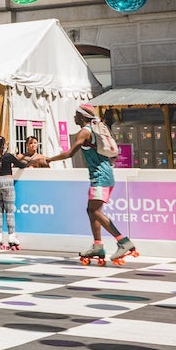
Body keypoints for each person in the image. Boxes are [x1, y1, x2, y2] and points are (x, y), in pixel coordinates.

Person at [53, 103, 136, 266]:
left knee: (94, 210)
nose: (74, 118)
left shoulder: (85, 132)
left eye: (76, 115)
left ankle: (124, 241)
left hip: (100, 177)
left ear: (83, 117)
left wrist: (48, 159)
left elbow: (70, 153)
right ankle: (98, 245)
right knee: (91, 210)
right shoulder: (95, 129)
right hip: (103, 175)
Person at [0, 136, 27, 251]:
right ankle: (11, 237)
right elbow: (22, 165)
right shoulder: (8, 156)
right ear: (3, 145)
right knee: (9, 211)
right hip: (7, 183)